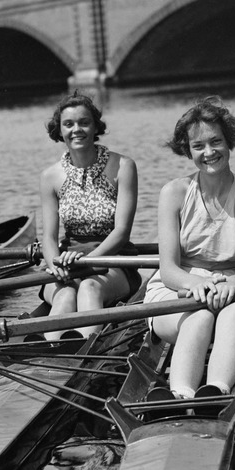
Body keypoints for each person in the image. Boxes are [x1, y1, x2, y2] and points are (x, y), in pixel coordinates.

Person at [144, 97, 235, 400]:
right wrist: (197, 284)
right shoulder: (173, 193)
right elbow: (170, 270)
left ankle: (216, 393)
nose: (209, 152)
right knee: (199, 315)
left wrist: (233, 283)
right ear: (187, 151)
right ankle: (180, 395)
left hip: (233, 287)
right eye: (198, 146)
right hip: (179, 287)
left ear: (230, 143)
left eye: (216, 142)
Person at [38, 93, 141, 340]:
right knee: (64, 295)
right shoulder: (50, 177)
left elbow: (121, 232)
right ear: (59, 130)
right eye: (69, 124)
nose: (77, 130)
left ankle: (83, 355)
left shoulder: (123, 166)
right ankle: (49, 360)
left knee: (89, 287)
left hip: (113, 260)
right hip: (66, 261)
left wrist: (86, 262)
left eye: (84, 122)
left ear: (96, 126)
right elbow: (49, 238)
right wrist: (56, 266)